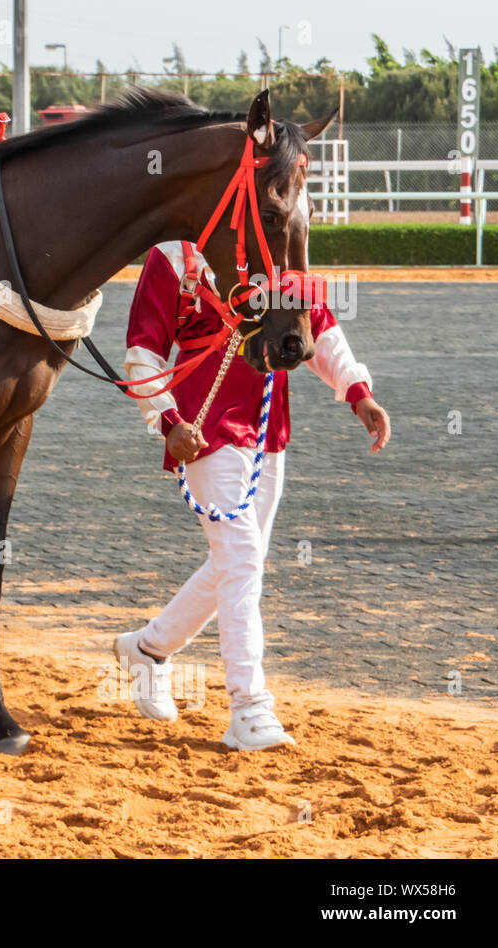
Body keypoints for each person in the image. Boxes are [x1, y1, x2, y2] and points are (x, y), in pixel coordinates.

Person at [114, 240, 390, 750]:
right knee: (241, 558)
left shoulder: (275, 247)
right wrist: (166, 421)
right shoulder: (171, 257)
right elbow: (142, 350)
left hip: (266, 428)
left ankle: (148, 650)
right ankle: (248, 707)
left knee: (237, 562)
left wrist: (359, 392)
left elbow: (318, 328)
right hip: (202, 428)